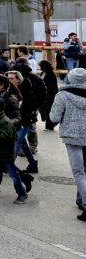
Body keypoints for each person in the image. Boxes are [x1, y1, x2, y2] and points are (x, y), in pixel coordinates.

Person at [49, 68, 86, 220]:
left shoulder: (62, 95)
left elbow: (53, 118)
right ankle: (81, 199)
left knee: (79, 173)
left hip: (72, 137)